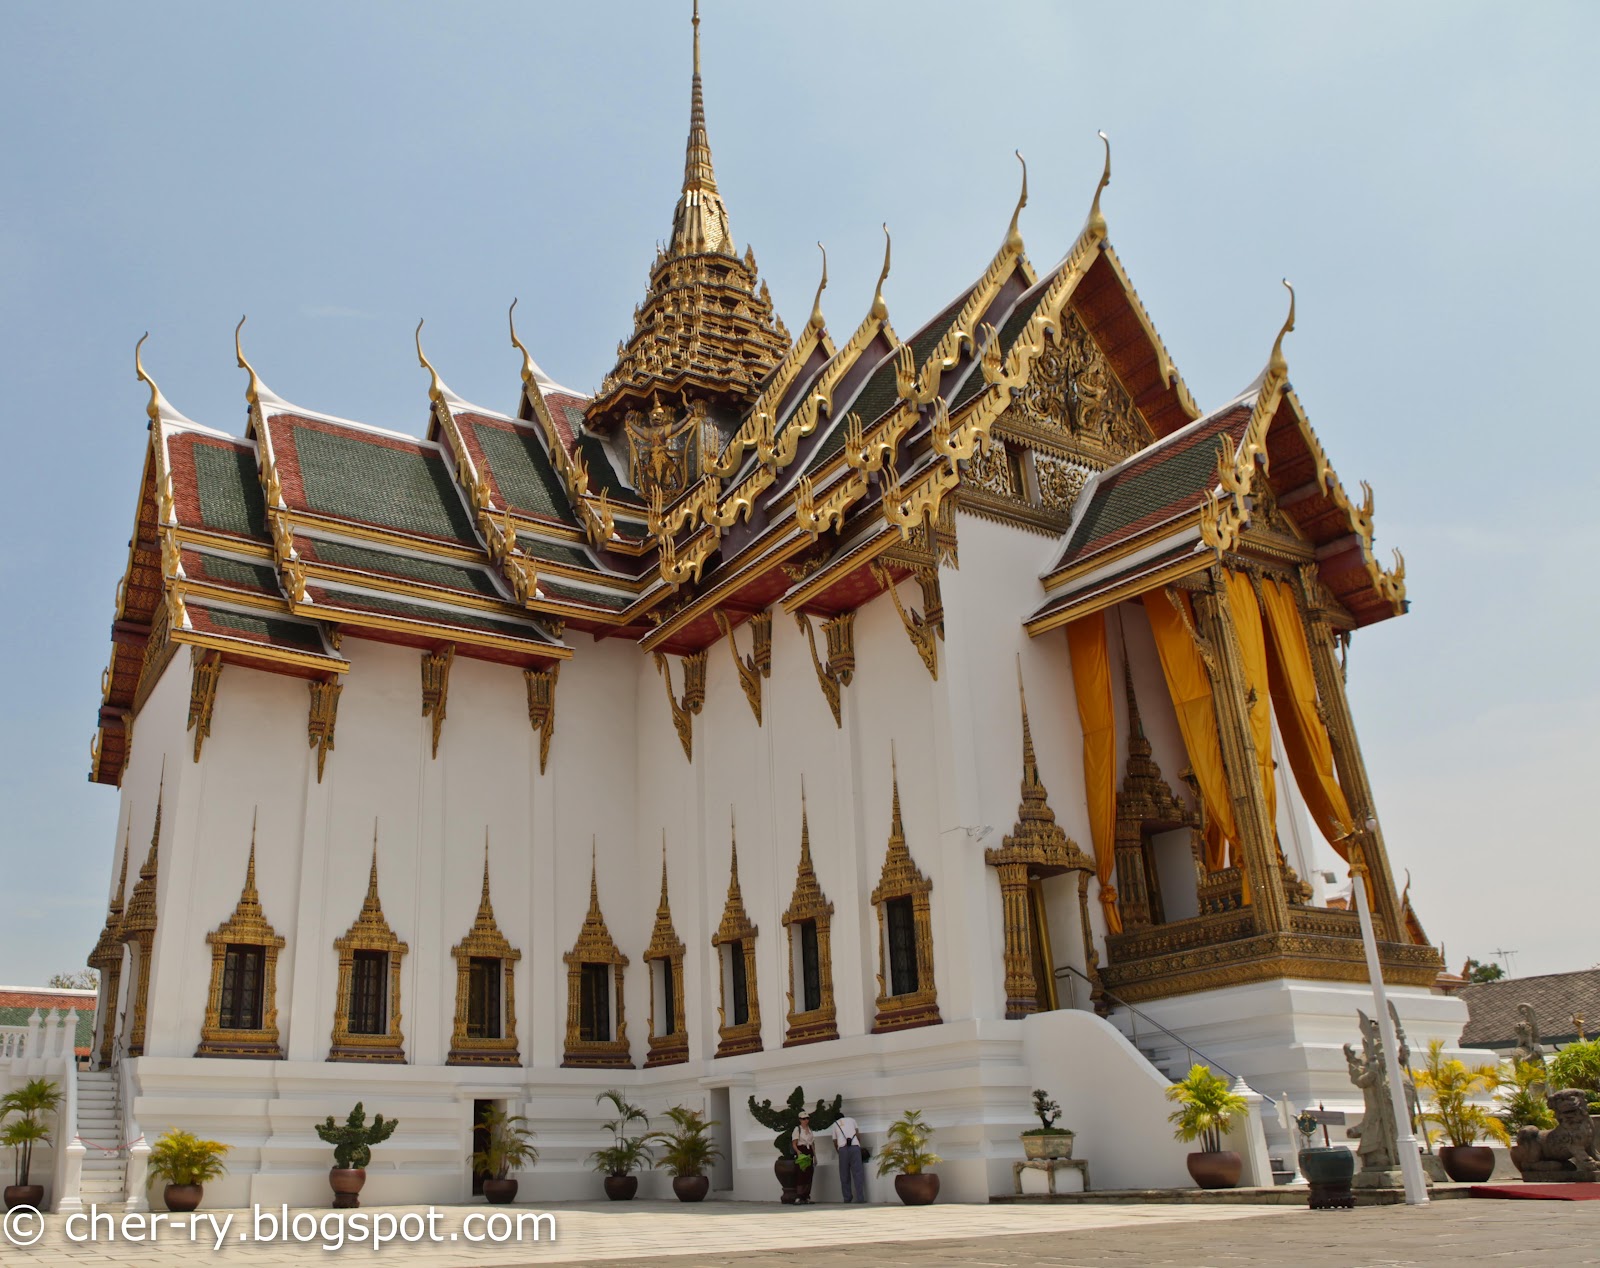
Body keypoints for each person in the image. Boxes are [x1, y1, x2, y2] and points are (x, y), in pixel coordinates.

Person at [830, 1108, 868, 1203]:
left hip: (843, 1149)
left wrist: (839, 1151)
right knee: (858, 1173)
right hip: (855, 1147)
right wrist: (858, 1145)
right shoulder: (852, 1120)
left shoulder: (835, 1124)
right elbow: (858, 1134)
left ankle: (847, 1198)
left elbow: (835, 1141)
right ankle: (860, 1198)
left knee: (844, 1175)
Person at [791, 1110, 816, 1204]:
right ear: (800, 1120)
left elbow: (812, 1143)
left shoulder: (810, 1130)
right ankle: (799, 1196)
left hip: (809, 1151)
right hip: (802, 1151)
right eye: (803, 1119)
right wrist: (798, 1152)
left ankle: (806, 1196)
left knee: (809, 1174)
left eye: (807, 1118)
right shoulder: (798, 1129)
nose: (805, 1120)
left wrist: (815, 1156)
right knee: (801, 1174)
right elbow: (794, 1143)